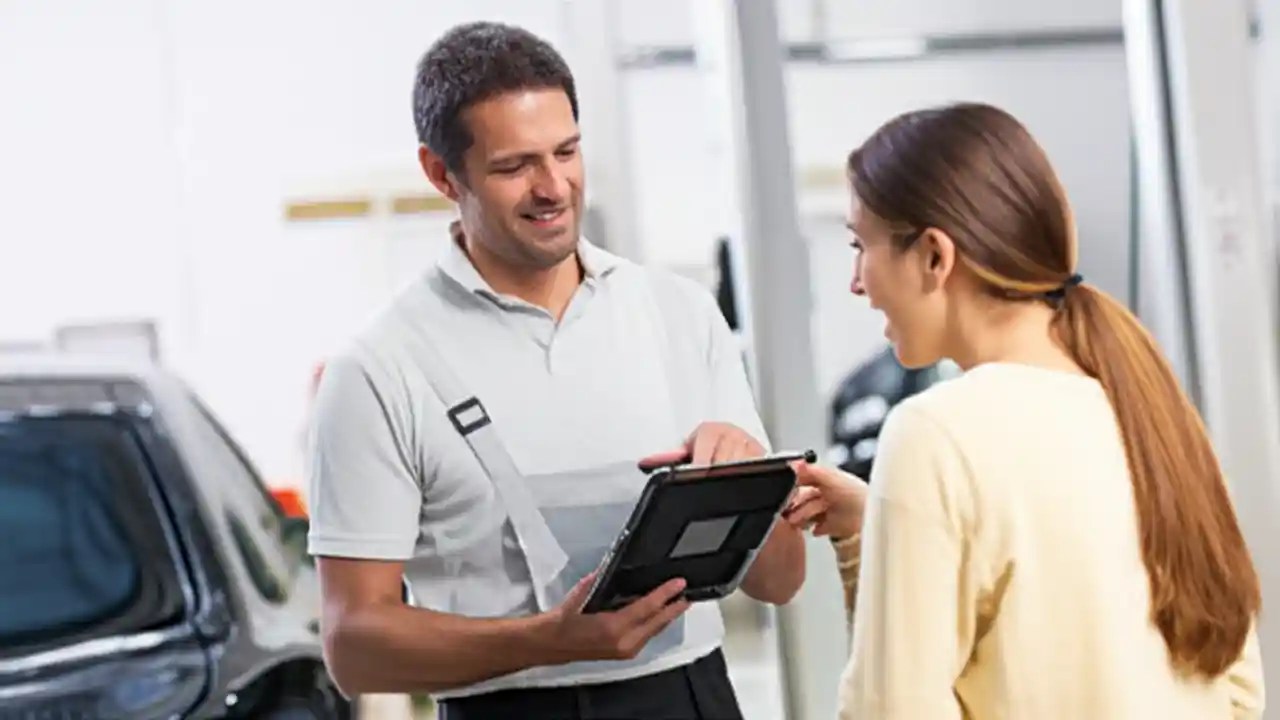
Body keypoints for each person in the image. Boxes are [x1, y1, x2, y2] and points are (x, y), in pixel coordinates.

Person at [304, 21, 806, 720]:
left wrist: (749, 484)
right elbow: (354, 646)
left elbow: (781, 581)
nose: (553, 187)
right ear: (441, 173)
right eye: (514, 166)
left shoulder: (679, 315)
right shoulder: (381, 370)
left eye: (567, 152)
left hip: (692, 696)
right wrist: (548, 641)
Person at [783, 103, 1265, 719]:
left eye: (861, 245)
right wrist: (877, 526)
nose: (856, 282)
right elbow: (1238, 685)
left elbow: (893, 708)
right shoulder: (1149, 409)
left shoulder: (935, 433)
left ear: (934, 255)